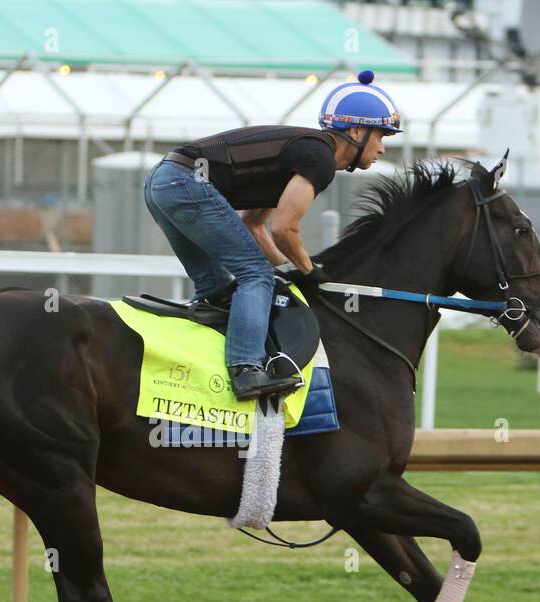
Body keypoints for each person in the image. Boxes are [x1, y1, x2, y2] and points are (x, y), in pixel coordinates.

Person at [143, 70, 402, 400]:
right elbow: (284, 228)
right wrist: (309, 271)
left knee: (216, 289)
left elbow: (255, 225)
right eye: (381, 137)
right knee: (255, 275)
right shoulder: (319, 158)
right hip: (184, 183)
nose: (381, 149)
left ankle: (208, 348)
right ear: (356, 131)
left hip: (162, 182)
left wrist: (289, 270)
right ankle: (247, 370)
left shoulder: (306, 153)